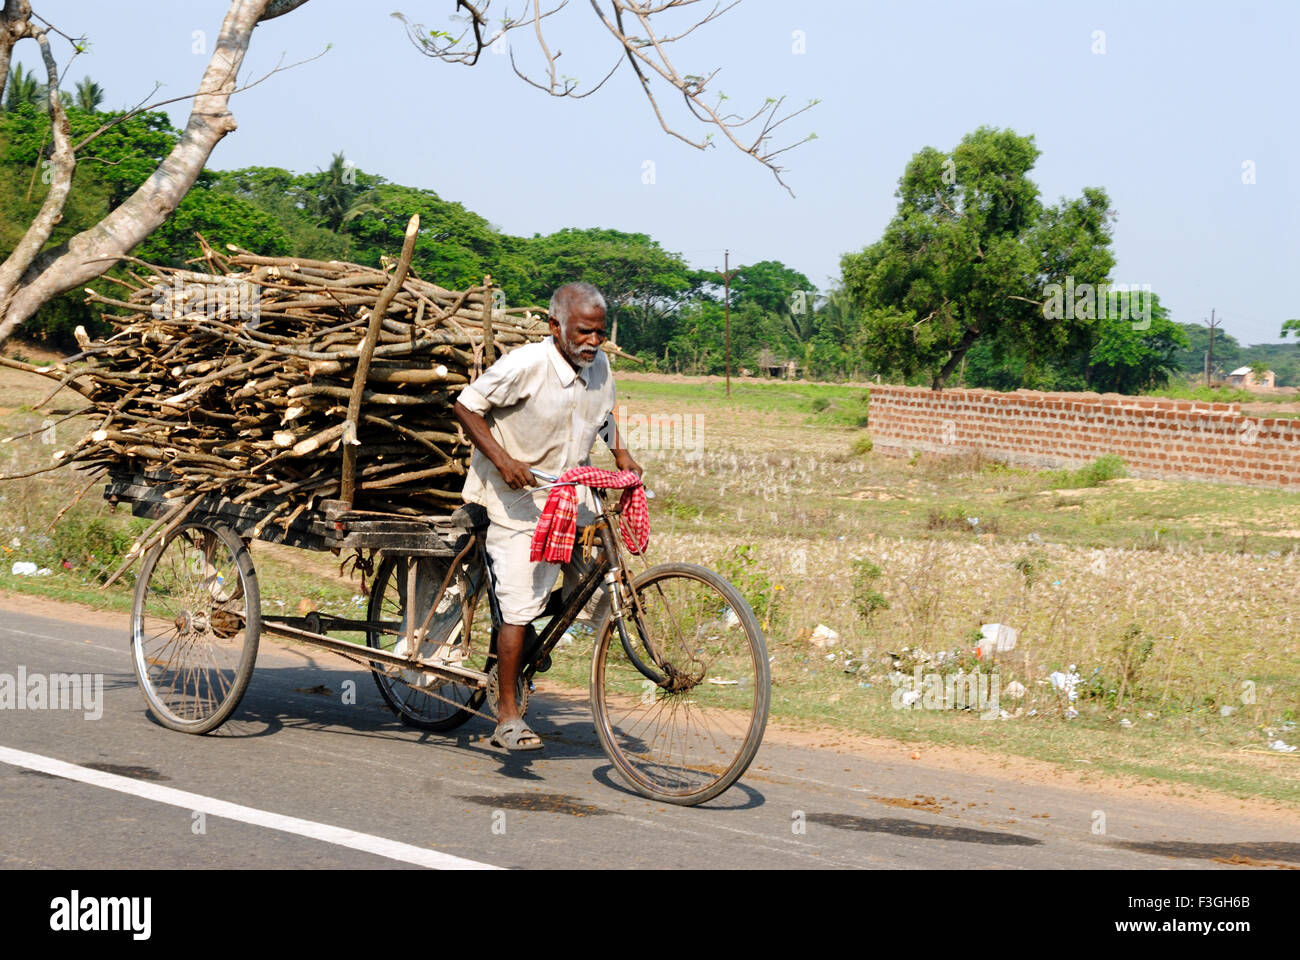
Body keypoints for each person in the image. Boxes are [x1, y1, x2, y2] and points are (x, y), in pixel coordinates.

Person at [452, 282, 642, 750]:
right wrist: (502, 460)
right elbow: (467, 405)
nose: (593, 343)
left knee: (594, 583)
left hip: (568, 493)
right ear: (555, 325)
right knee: (518, 602)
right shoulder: (526, 365)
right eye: (583, 333)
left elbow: (604, 414)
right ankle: (508, 714)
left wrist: (621, 453)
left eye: (599, 334)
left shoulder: (599, 367)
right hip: (514, 498)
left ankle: (530, 646)